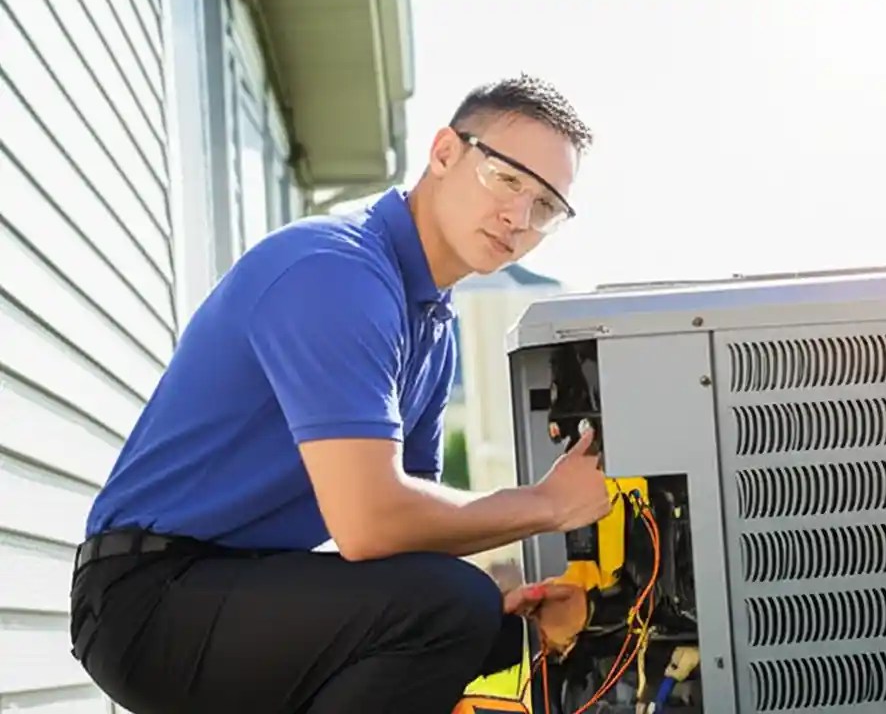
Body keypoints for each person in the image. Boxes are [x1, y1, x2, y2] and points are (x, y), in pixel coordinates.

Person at [69, 74, 611, 714]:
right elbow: (371, 524)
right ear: (444, 153)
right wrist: (546, 504)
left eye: (545, 206)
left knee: (481, 628)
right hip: (149, 597)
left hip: (231, 586)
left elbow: (411, 536)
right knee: (449, 607)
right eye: (507, 178)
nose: (519, 218)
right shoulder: (337, 273)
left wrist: (501, 615)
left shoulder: (432, 331)